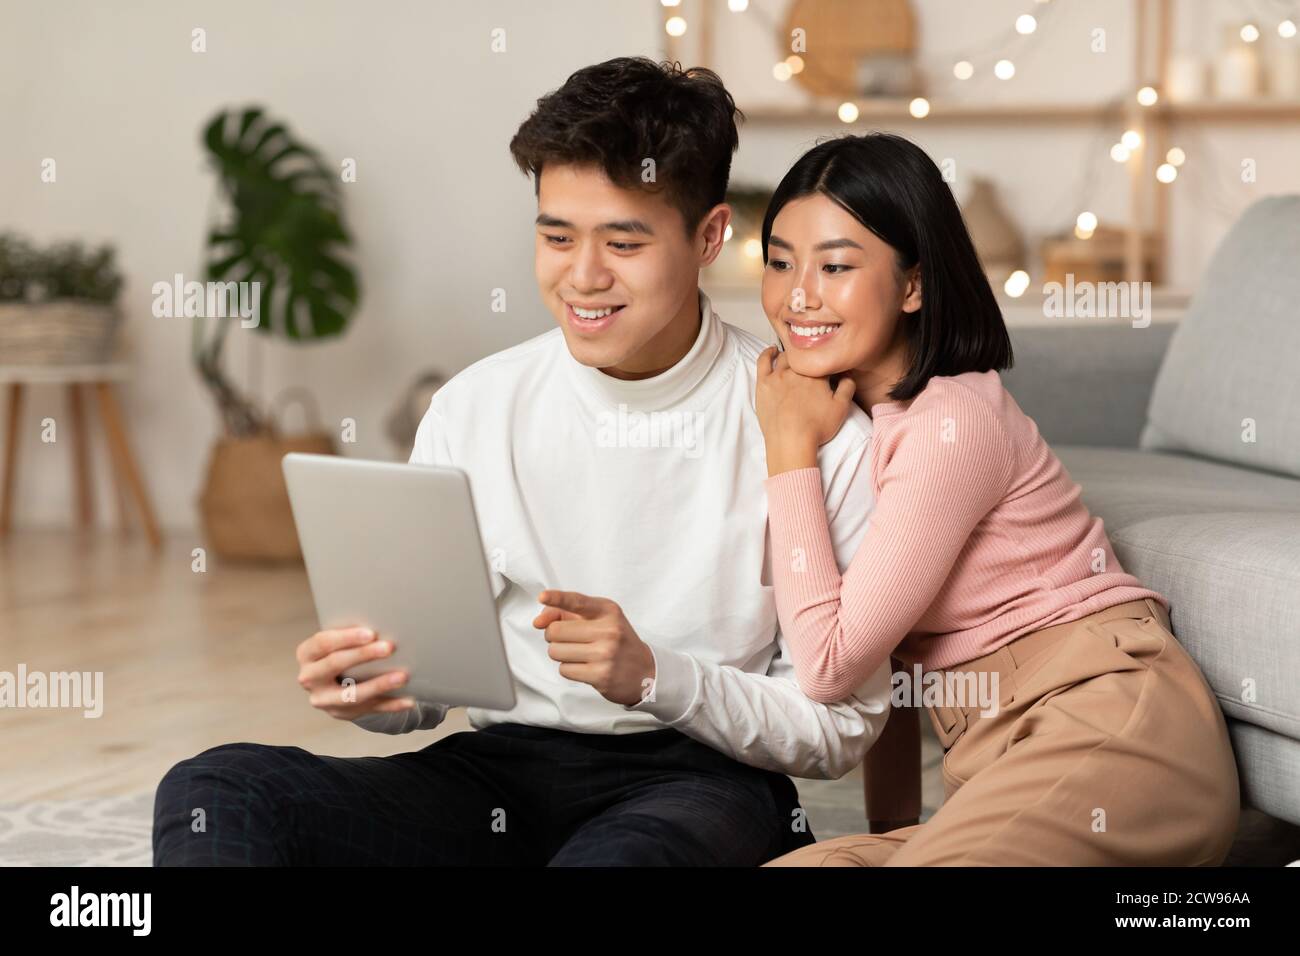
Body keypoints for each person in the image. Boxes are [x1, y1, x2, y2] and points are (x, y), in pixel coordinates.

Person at [152, 57, 891, 867]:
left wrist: (658, 677)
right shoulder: (475, 407)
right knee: (213, 790)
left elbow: (838, 729)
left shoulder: (811, 434)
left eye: (623, 241)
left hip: (706, 785)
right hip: (499, 778)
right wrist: (373, 690)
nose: (583, 277)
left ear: (709, 235)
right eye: (556, 235)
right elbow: (427, 696)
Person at [753, 132, 1240, 866]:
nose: (797, 295)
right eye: (781, 262)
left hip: (1109, 722)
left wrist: (786, 450)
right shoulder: (850, 423)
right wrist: (889, 836)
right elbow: (889, 662)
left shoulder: (952, 419)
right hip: (1002, 764)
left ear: (913, 285)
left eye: (835, 266)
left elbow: (830, 665)